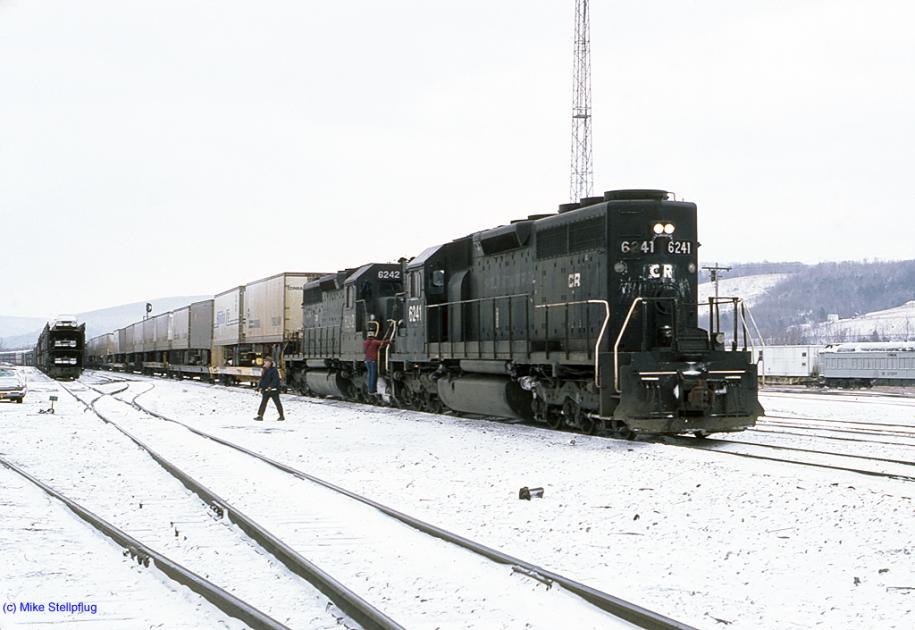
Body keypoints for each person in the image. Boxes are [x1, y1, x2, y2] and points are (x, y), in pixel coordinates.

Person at [254, 357, 285, 421]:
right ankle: (260, 416)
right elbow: (262, 379)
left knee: (277, 403)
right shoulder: (264, 369)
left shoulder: (274, 370)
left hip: (273, 390)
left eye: (267, 362)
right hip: (265, 390)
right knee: (263, 403)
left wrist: (271, 386)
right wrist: (259, 387)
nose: (265, 363)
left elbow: (275, 380)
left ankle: (281, 416)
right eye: (265, 361)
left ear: (270, 363)